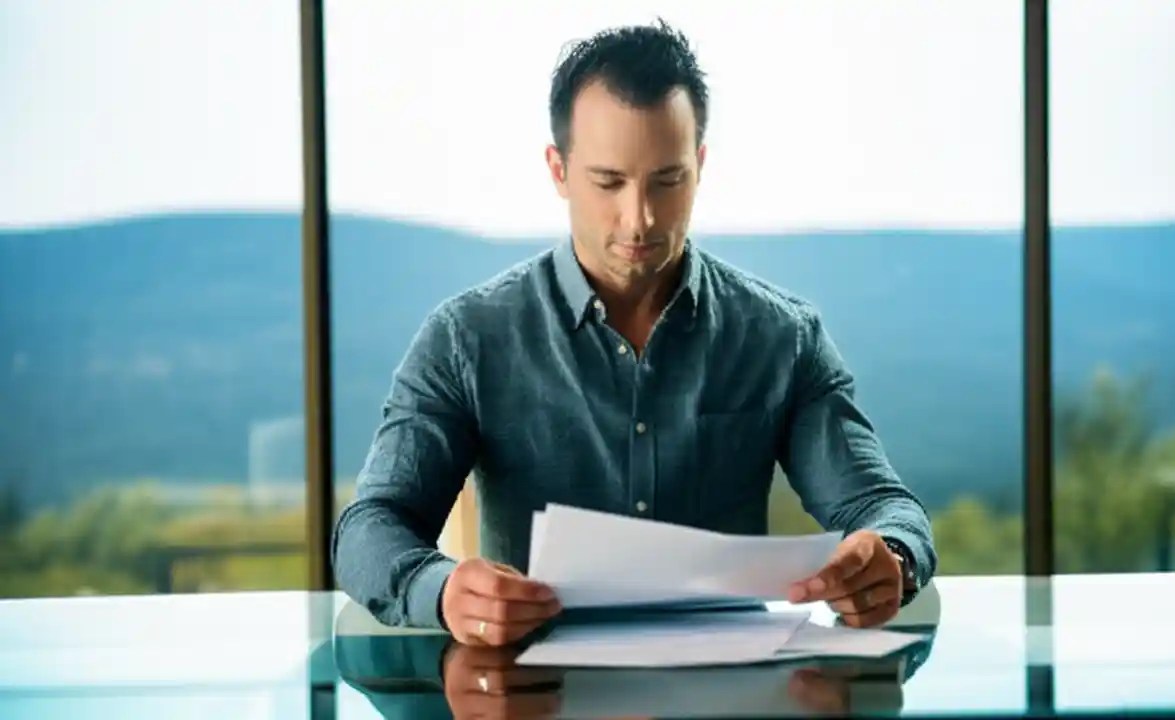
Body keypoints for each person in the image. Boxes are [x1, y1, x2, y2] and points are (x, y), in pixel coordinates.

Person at [333, 18, 937, 647]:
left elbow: (883, 506)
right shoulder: (466, 338)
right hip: (532, 697)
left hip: (728, 695)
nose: (640, 217)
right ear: (559, 170)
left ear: (699, 166)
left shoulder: (784, 338)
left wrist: (889, 555)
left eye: (667, 181)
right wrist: (443, 588)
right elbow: (370, 527)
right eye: (609, 182)